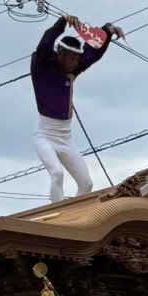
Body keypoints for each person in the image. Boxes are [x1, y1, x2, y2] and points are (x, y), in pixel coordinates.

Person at [30, 15, 124, 201]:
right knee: (57, 173)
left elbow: (93, 52)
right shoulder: (42, 65)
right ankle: (57, 212)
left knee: (86, 183)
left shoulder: (72, 69)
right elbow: (44, 44)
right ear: (60, 54)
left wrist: (107, 30)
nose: (75, 63)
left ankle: (72, 212)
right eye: (72, 58)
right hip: (45, 136)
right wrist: (62, 23)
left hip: (65, 138)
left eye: (77, 59)